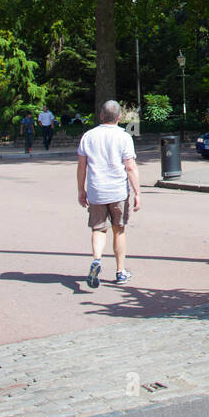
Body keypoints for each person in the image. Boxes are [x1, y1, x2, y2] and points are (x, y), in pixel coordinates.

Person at [77, 99, 140, 286]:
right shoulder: (124, 137)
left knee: (98, 229)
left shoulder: (88, 136)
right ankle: (120, 272)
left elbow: (82, 166)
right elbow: (130, 167)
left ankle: (97, 259)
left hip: (96, 190)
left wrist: (81, 190)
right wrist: (138, 192)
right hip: (118, 191)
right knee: (119, 230)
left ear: (101, 115)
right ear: (120, 117)